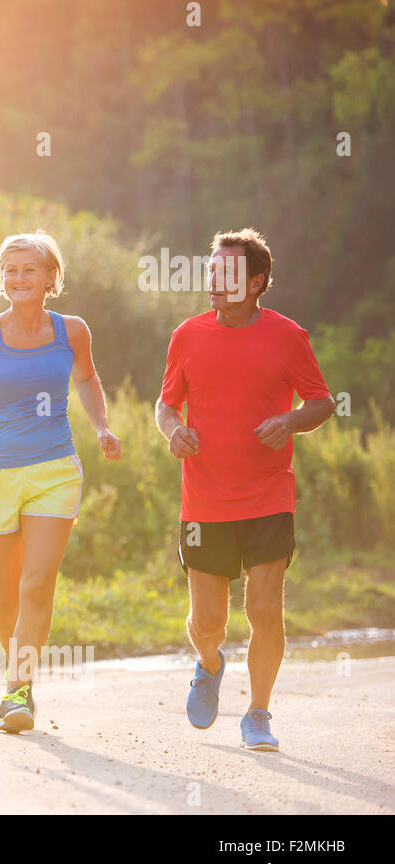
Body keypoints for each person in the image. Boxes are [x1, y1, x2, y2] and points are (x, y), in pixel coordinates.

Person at [155, 227, 335, 752]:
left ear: (256, 282)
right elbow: (166, 404)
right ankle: (209, 664)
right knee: (207, 620)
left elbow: (321, 402)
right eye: (211, 269)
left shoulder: (288, 336)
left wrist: (291, 421)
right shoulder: (187, 335)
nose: (214, 279)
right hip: (205, 498)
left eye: (228, 272)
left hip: (267, 495)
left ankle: (258, 712)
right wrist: (173, 431)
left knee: (263, 610)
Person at [0, 231, 121, 733]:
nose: (18, 278)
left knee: (37, 583)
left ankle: (18, 690)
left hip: (53, 469)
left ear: (50, 279)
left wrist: (101, 425)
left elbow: (86, 378)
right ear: (2, 279)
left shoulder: (73, 331)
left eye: (29, 270)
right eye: (11, 270)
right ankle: (19, 677)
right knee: (4, 596)